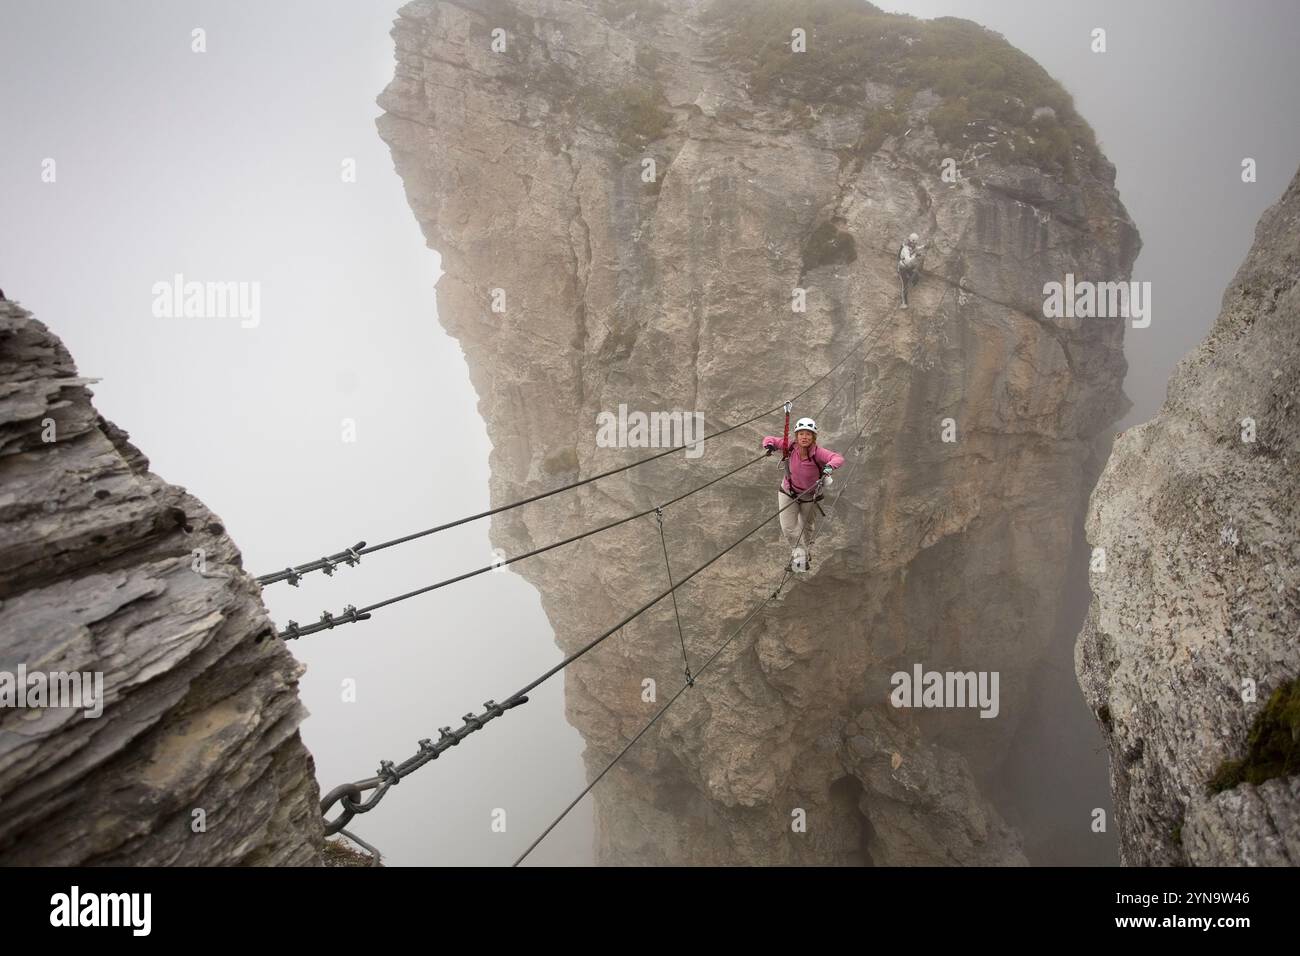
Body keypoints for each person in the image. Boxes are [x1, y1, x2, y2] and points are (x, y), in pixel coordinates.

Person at [762, 417, 844, 570]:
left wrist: (830, 467)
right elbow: (770, 438)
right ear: (796, 436)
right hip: (788, 492)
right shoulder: (790, 447)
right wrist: (769, 445)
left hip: (810, 496)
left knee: (806, 528)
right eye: (801, 434)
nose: (804, 437)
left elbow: (837, 458)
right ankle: (801, 559)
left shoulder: (818, 453)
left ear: (813, 437)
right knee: (789, 528)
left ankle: (805, 552)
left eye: (808, 434)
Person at [897, 232, 924, 307]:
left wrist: (925, 246)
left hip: (908, 267)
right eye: (914, 243)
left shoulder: (911, 246)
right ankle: (904, 303)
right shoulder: (905, 249)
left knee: (917, 276)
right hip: (902, 268)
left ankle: (911, 283)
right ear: (911, 241)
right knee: (904, 285)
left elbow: (916, 248)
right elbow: (908, 260)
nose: (914, 245)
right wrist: (915, 255)